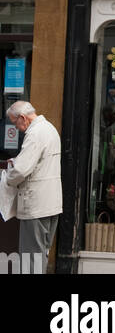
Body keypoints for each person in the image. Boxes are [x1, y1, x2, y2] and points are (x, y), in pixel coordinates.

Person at [3, 100, 62, 272]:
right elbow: (39, 162)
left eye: (15, 123)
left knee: (30, 258)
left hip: (36, 205)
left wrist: (7, 179)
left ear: (23, 117)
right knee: (40, 254)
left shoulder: (34, 133)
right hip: (51, 203)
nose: (17, 128)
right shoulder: (49, 128)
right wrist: (17, 161)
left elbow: (21, 170)